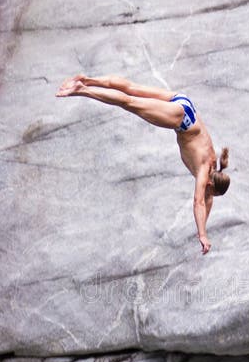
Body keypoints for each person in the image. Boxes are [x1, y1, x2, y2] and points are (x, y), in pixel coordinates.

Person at [56, 74, 230, 254]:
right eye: (209, 191)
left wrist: (203, 230)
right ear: (209, 184)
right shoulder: (203, 169)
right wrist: (202, 235)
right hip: (181, 119)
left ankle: (85, 79)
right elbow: (199, 201)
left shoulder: (213, 166)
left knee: (131, 88)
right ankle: (83, 89)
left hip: (184, 103)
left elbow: (207, 201)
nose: (207, 194)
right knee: (129, 102)